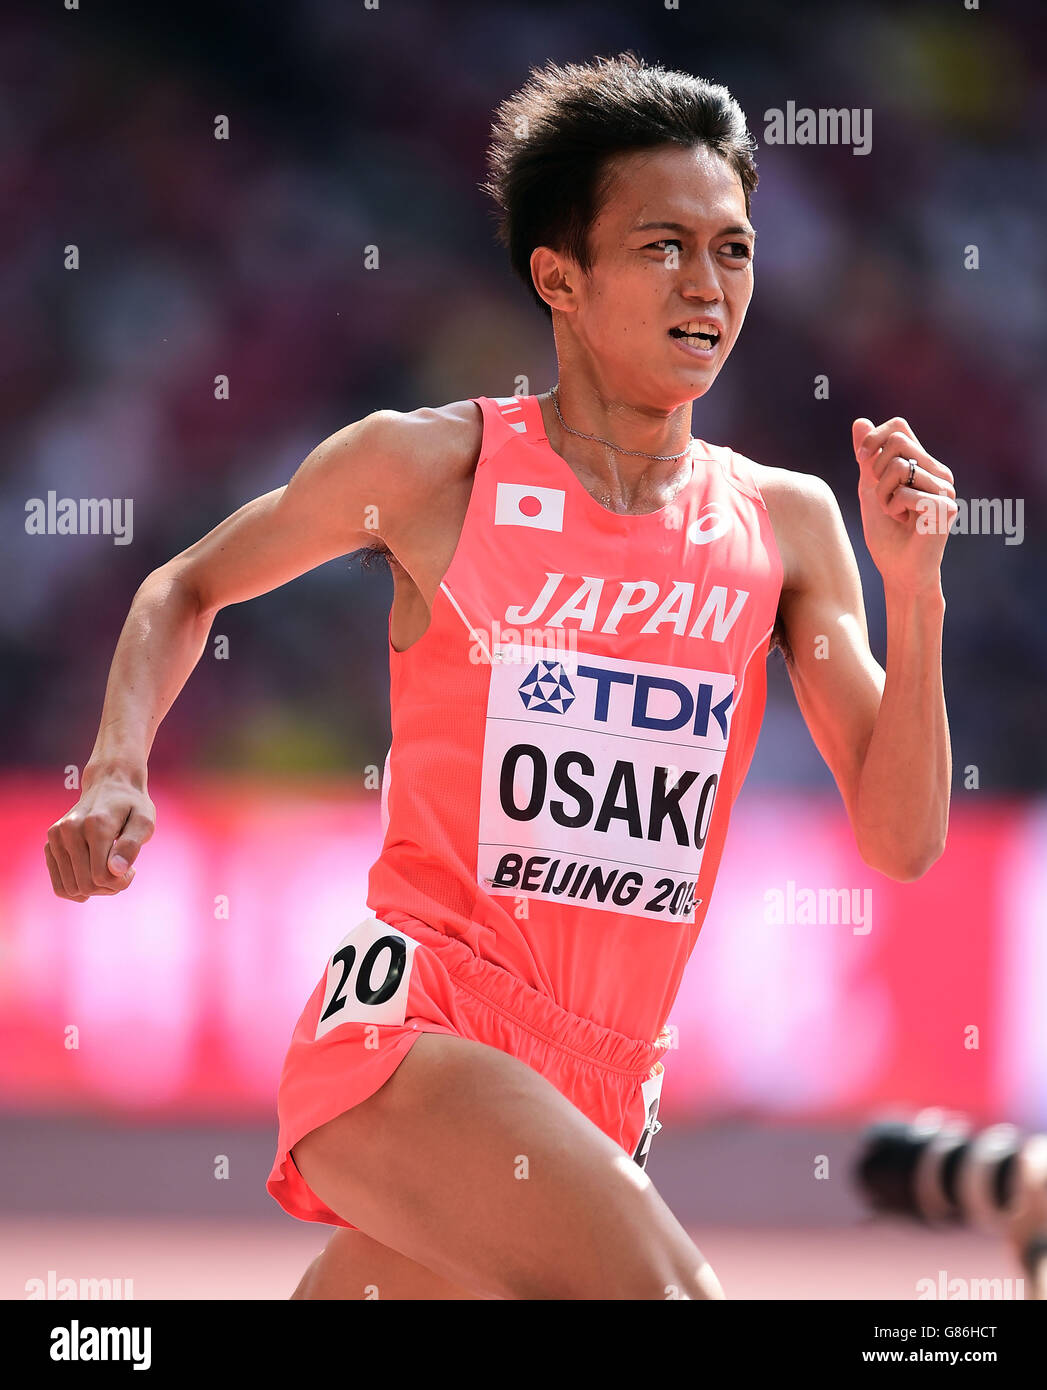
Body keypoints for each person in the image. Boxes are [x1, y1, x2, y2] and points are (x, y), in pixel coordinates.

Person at [44, 52, 958, 1300]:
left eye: (733, 248)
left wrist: (917, 592)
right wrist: (114, 771)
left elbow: (902, 839)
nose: (708, 284)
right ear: (560, 280)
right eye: (663, 246)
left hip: (602, 1084)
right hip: (411, 1034)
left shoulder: (788, 527)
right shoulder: (435, 469)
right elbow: (183, 587)